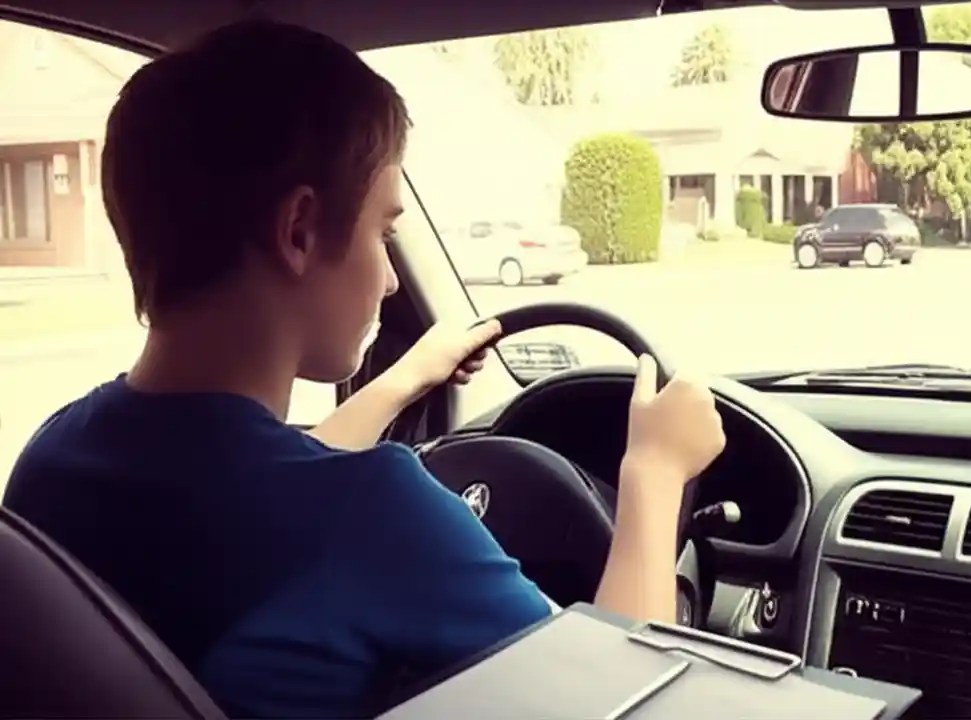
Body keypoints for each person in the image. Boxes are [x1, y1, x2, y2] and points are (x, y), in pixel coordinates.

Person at [1, 18, 726, 719]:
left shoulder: (56, 456)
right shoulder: (374, 514)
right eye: (384, 231)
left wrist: (404, 379)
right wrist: (655, 474)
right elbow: (619, 697)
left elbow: (269, 497)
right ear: (300, 231)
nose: (386, 280)